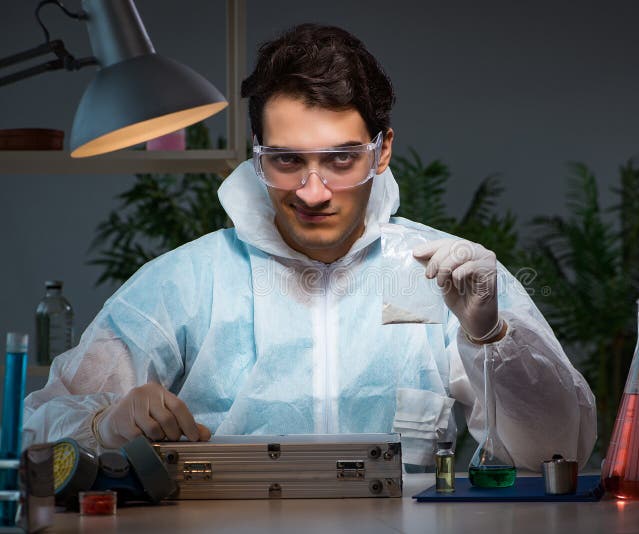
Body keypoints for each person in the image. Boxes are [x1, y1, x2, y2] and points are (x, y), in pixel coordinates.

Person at [24, 24, 596, 469]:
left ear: (383, 150)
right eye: (287, 160)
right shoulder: (186, 281)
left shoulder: (444, 275)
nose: (314, 192)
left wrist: (491, 335)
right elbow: (36, 432)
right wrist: (107, 423)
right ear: (257, 153)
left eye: (342, 159)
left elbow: (554, 452)